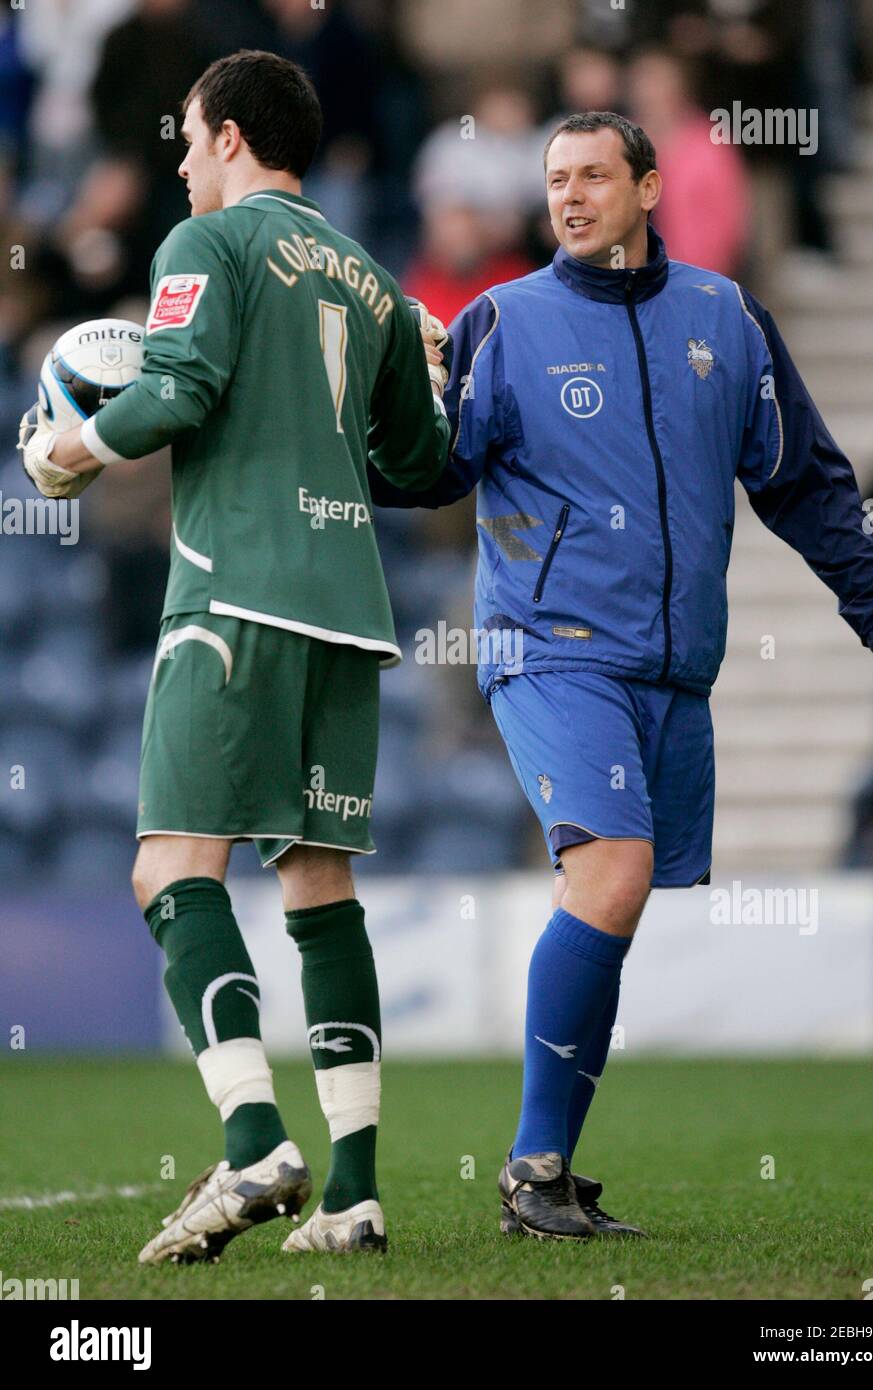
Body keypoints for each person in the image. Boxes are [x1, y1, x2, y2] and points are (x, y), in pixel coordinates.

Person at [369, 110, 873, 1241]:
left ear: (645, 185)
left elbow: (804, 482)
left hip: (674, 668)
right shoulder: (503, 319)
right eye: (553, 180)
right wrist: (408, 400)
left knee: (618, 907)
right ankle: (529, 1166)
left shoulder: (723, 320)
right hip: (548, 648)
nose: (569, 197)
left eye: (591, 175)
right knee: (612, 872)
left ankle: (552, 1175)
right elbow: (430, 477)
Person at [19, 49, 449, 1263]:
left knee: (169, 869)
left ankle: (255, 1136)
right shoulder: (369, 275)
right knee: (319, 889)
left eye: (189, 136)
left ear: (228, 137)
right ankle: (355, 1192)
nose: (177, 157)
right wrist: (431, 367)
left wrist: (74, 446)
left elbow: (179, 391)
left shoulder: (201, 247)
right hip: (347, 614)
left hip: (230, 598)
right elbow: (419, 470)